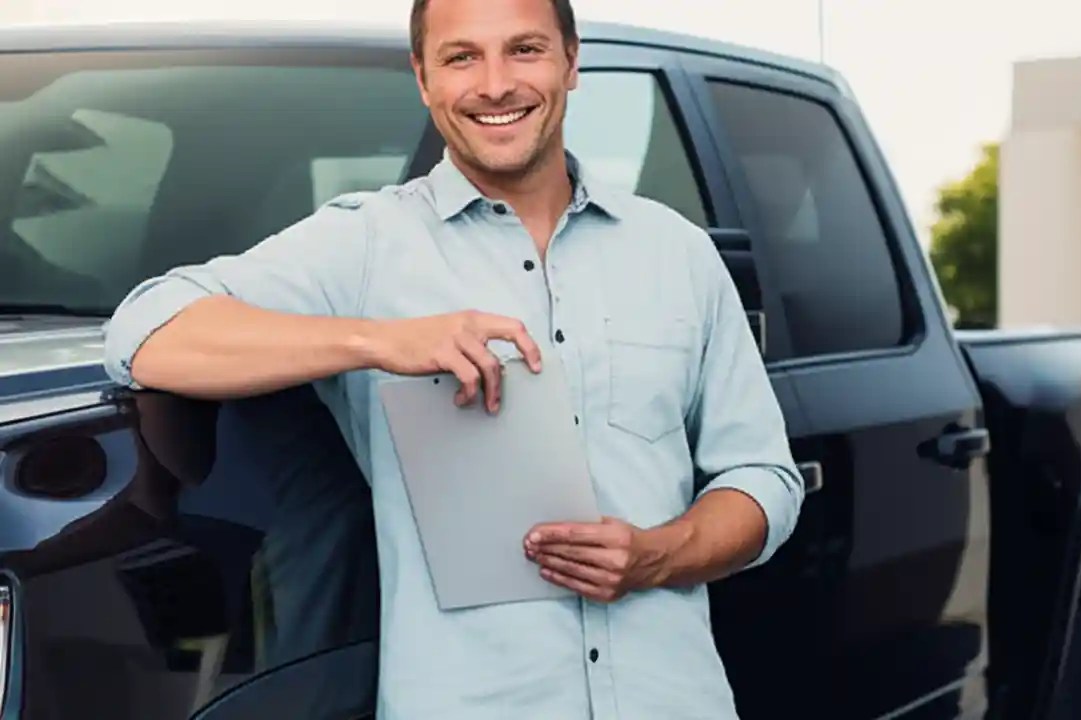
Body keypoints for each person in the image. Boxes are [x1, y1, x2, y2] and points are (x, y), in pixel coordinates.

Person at [101, 0, 804, 716]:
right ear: (424, 77)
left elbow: (763, 476)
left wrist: (664, 552)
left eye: (524, 50)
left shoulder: (676, 251)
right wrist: (379, 339)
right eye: (462, 57)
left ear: (571, 61)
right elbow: (146, 330)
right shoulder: (368, 244)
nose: (495, 84)